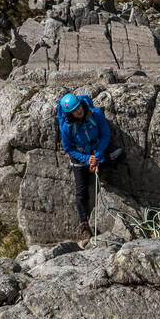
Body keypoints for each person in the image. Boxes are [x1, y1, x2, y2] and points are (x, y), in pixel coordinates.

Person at [56, 91, 124, 243]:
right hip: (81, 156)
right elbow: (68, 148)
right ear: (70, 113)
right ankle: (84, 224)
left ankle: (104, 175)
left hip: (97, 150)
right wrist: (87, 159)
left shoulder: (96, 114)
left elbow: (105, 135)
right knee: (81, 192)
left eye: (79, 107)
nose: (78, 111)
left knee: (118, 154)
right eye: (74, 110)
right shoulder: (67, 127)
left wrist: (98, 156)